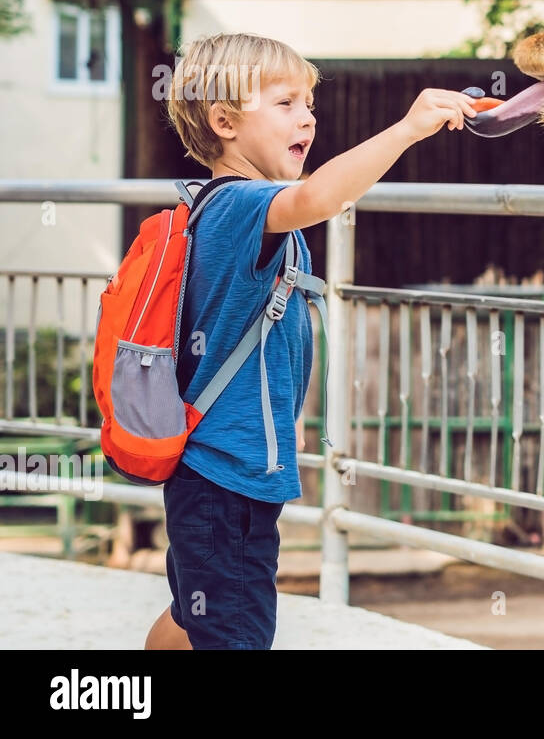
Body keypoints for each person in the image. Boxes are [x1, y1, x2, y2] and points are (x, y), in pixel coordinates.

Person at [144, 32, 476, 649]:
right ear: (224, 122)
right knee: (234, 630)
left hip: (222, 471)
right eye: (285, 104)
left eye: (309, 104)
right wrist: (407, 129)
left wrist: (282, 418)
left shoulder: (230, 208)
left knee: (198, 615)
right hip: (226, 478)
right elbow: (322, 197)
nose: (307, 118)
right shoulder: (243, 204)